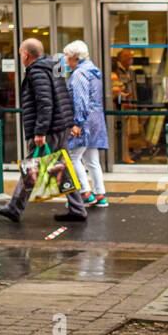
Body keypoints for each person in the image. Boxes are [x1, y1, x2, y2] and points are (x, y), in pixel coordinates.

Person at [0, 37, 88, 224]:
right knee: (61, 166)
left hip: (50, 128)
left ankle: (14, 208)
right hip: (61, 125)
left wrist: (40, 132)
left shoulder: (37, 72)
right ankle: (78, 208)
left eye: (20, 54)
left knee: (32, 166)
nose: (21, 57)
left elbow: (45, 103)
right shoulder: (53, 67)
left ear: (26, 54)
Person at [64, 39, 109, 208]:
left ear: (75, 57)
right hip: (97, 119)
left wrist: (77, 122)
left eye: (67, 55)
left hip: (85, 120)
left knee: (73, 156)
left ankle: (85, 193)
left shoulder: (79, 74)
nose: (65, 59)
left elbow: (80, 100)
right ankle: (100, 194)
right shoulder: (94, 71)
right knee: (92, 159)